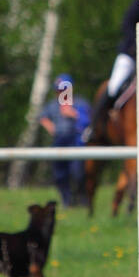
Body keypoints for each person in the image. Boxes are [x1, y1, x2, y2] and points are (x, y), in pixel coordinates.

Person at [38, 74, 90, 207]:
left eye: (65, 89)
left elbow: (89, 122)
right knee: (59, 175)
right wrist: (50, 127)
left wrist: (74, 114)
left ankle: (82, 199)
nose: (61, 92)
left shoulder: (79, 103)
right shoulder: (52, 105)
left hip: (76, 143)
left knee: (78, 173)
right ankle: (67, 201)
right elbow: (42, 117)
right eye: (59, 90)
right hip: (59, 143)